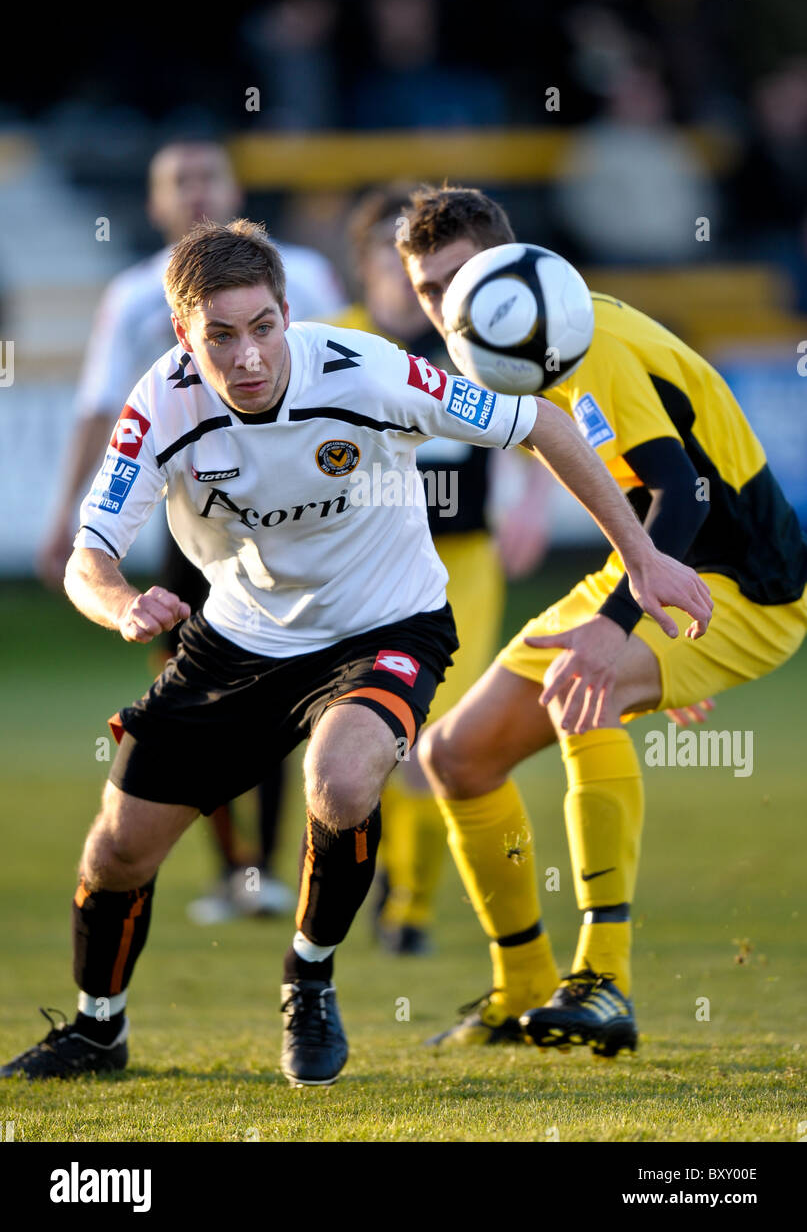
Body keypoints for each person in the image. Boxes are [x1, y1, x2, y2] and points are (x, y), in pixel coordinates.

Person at [0, 217, 711, 1087]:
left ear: (287, 314)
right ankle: (96, 1030)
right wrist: (119, 606)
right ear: (185, 336)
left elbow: (543, 426)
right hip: (240, 639)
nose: (249, 356)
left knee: (341, 779)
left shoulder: (366, 369)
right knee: (117, 851)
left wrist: (641, 559)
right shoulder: (158, 404)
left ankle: (309, 977)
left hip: (387, 624)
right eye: (220, 336)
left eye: (263, 328)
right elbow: (88, 556)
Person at [395, 184, 807, 1054]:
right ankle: (521, 987)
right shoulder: (523, 362)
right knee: (454, 757)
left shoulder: (592, 341)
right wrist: (647, 637)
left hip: (749, 588)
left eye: (465, 278)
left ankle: (604, 982)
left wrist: (625, 627)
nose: (453, 305)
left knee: (582, 680)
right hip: (665, 572)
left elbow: (682, 493)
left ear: (512, 264)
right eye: (430, 291)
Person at [38, 139, 346, 922]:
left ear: (237, 188)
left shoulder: (303, 275)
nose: (196, 191)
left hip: (294, 516)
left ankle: (276, 865)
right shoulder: (135, 296)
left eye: (209, 176)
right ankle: (233, 865)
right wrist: (66, 518)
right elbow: (100, 408)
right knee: (193, 686)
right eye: (179, 181)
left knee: (286, 673)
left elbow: (352, 380)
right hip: (191, 524)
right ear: (155, 205)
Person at [343, 187, 551, 954]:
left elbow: (539, 417)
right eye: (395, 269)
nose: (411, 289)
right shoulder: (336, 344)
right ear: (369, 268)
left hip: (461, 562)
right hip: (364, 564)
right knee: (374, 739)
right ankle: (381, 876)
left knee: (435, 739)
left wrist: (530, 502)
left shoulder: (476, 341)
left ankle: (409, 909)